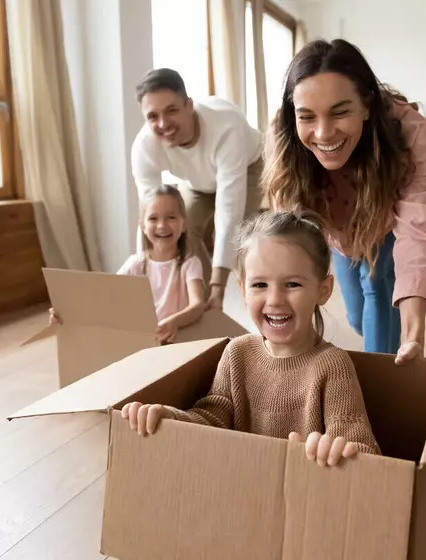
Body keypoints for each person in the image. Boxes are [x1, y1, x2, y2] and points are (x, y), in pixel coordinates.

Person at [121, 211, 381, 467]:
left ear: (323, 291)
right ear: (243, 289)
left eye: (292, 284)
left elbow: (363, 447)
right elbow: (213, 419)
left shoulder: (333, 366)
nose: (275, 300)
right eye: (260, 285)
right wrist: (173, 419)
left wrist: (338, 451)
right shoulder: (237, 353)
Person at [263, 39, 426, 364]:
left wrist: (413, 333)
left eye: (340, 112)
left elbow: (416, 236)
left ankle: (382, 382)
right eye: (307, 117)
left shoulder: (408, 133)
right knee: (359, 317)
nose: (323, 133)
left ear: (367, 106)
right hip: (338, 225)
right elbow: (288, 242)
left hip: (390, 214)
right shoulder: (286, 139)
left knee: (377, 284)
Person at [131, 68, 264, 312]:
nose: (163, 124)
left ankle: (250, 300)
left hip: (248, 167)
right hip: (196, 182)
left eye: (171, 110)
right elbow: (149, 218)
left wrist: (219, 287)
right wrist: (144, 279)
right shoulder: (144, 147)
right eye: (152, 116)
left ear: (189, 105)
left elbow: (229, 211)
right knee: (181, 226)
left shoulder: (226, 126)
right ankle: (199, 305)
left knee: (240, 240)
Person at [50, 184, 205, 344]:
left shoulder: (190, 264)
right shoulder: (135, 264)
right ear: (143, 226)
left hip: (178, 344)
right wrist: (67, 312)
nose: (161, 225)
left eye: (171, 217)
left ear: (184, 224)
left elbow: (198, 305)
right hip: (142, 343)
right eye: (153, 218)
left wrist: (174, 322)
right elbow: (103, 294)